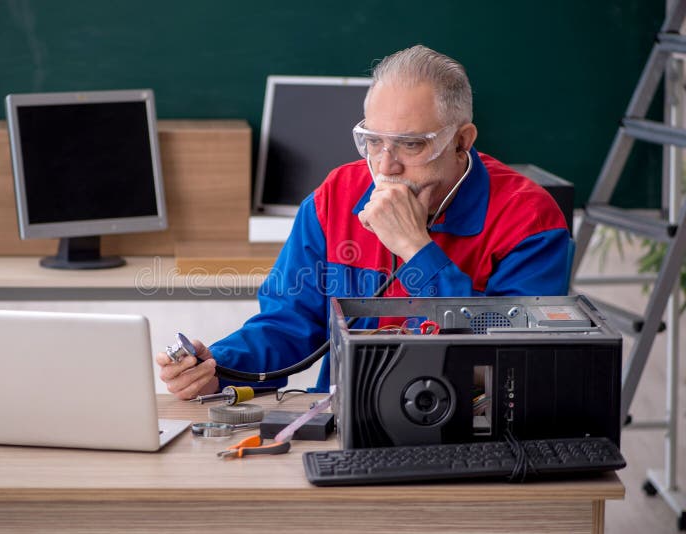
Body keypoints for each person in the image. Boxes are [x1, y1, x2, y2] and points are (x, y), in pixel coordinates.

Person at [156, 44, 572, 399]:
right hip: (341, 422)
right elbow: (286, 328)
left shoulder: (530, 219)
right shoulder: (334, 198)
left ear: (461, 141)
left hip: (469, 431)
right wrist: (217, 368)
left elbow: (513, 361)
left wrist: (417, 251)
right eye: (373, 141)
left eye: (411, 145)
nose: (386, 167)